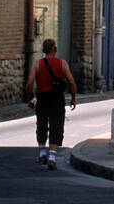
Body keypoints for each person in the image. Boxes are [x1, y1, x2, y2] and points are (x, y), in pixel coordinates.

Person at [25, 39, 77, 170]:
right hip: (57, 99)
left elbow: (30, 83)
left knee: (41, 125)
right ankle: (52, 157)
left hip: (42, 98)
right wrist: (73, 98)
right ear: (55, 50)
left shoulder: (37, 64)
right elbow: (71, 82)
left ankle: (42, 153)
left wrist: (29, 98)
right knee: (56, 126)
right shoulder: (62, 63)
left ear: (44, 50)